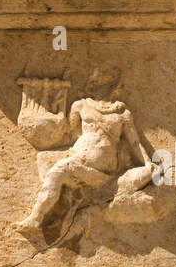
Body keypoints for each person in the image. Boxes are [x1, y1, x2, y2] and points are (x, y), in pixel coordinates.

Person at [14, 97, 153, 251]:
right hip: (78, 159)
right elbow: (72, 134)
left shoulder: (122, 113)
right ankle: (39, 217)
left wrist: (147, 162)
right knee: (54, 169)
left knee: (59, 171)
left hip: (102, 170)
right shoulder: (79, 105)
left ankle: (37, 217)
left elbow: (134, 142)